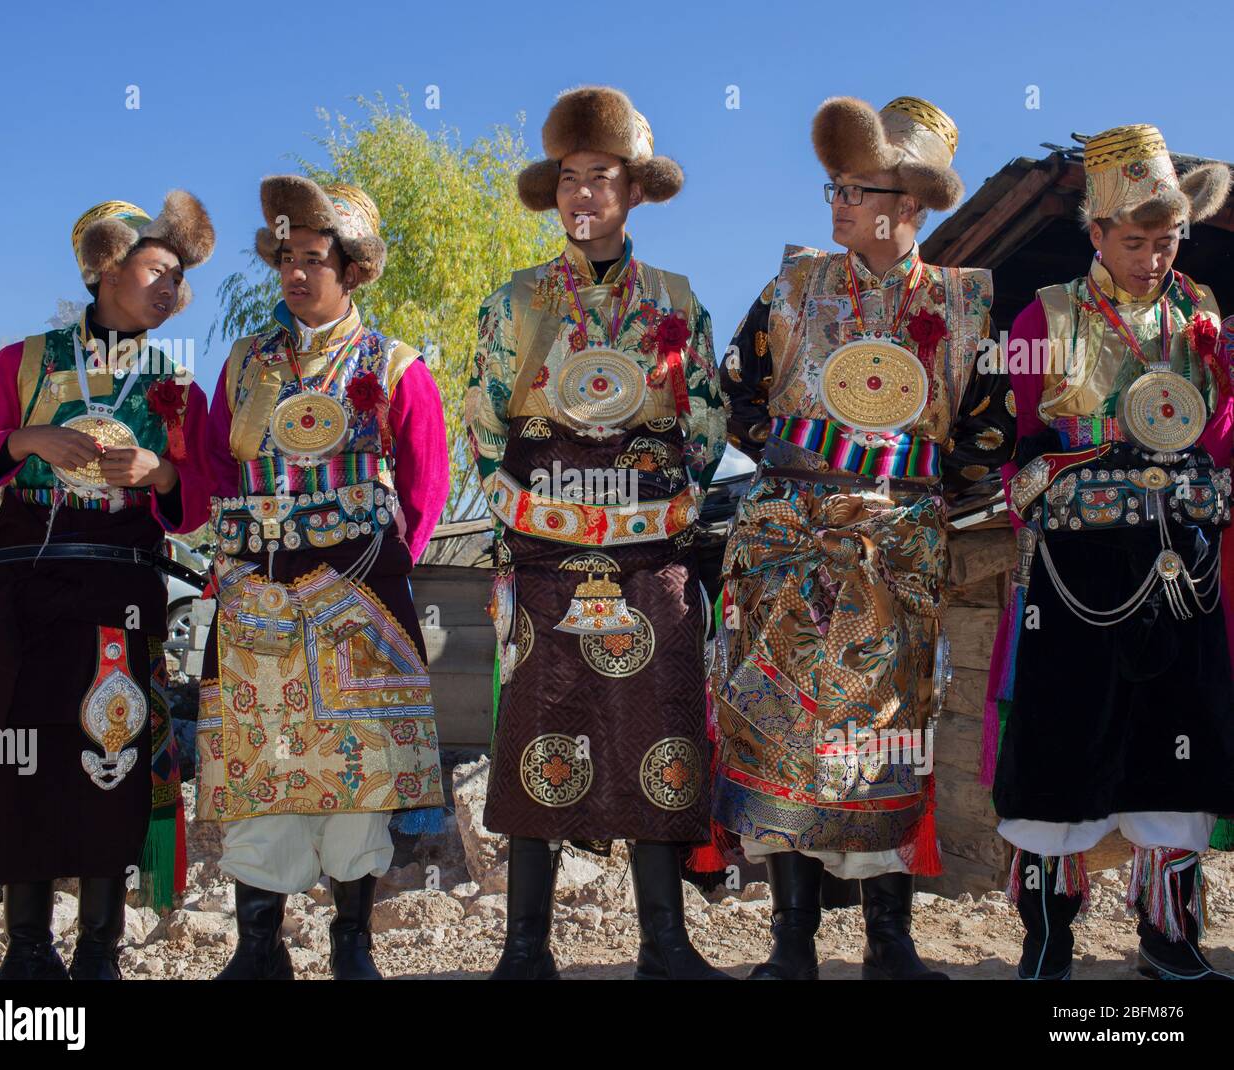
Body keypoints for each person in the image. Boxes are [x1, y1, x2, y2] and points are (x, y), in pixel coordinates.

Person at [713, 96, 1014, 979]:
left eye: (858, 187)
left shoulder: (965, 306)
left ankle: (890, 941)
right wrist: (811, 479)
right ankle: (791, 946)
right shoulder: (794, 286)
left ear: (911, 202)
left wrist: (904, 509)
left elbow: (989, 440)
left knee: (888, 739)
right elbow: (738, 393)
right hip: (788, 552)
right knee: (784, 737)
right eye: (833, 184)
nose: (836, 201)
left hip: (898, 560)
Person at [465, 85, 728, 980]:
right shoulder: (517, 301)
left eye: (601, 178)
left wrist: (655, 477)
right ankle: (524, 948)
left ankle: (664, 942)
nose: (582, 195)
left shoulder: (678, 302)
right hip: (544, 555)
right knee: (541, 728)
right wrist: (536, 508)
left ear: (634, 191)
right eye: (569, 179)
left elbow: (709, 430)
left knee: (660, 728)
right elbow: (483, 423)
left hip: (652, 552)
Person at [0, 192, 216, 978]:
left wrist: (158, 470)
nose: (172, 291)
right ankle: (27, 952)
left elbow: (198, 501)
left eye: (180, 280)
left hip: (115, 598)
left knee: (110, 754)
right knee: (17, 759)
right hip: (19, 593)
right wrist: (24, 437)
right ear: (104, 267)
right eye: (158, 270)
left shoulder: (173, 384)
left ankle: (99, 952)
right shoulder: (25, 361)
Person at [984, 124, 1234, 980]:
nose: (1153, 258)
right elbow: (1016, 443)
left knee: (1179, 740)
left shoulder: (1199, 315)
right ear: (1095, 232)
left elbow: (1222, 429)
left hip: (1181, 561)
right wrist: (1095, 454)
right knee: (1062, 741)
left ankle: (1169, 934)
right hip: (1079, 569)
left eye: (1168, 242)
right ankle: (1048, 932)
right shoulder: (1043, 315)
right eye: (1134, 241)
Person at [200, 176, 448, 980]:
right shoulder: (244, 363)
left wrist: (381, 569)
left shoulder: (394, 363)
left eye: (313, 259)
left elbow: (426, 481)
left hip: (361, 588)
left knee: (360, 767)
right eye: (286, 259)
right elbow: (210, 469)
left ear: (351, 269)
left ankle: (351, 943)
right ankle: (259, 946)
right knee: (261, 757)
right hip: (259, 593)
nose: (295, 274)